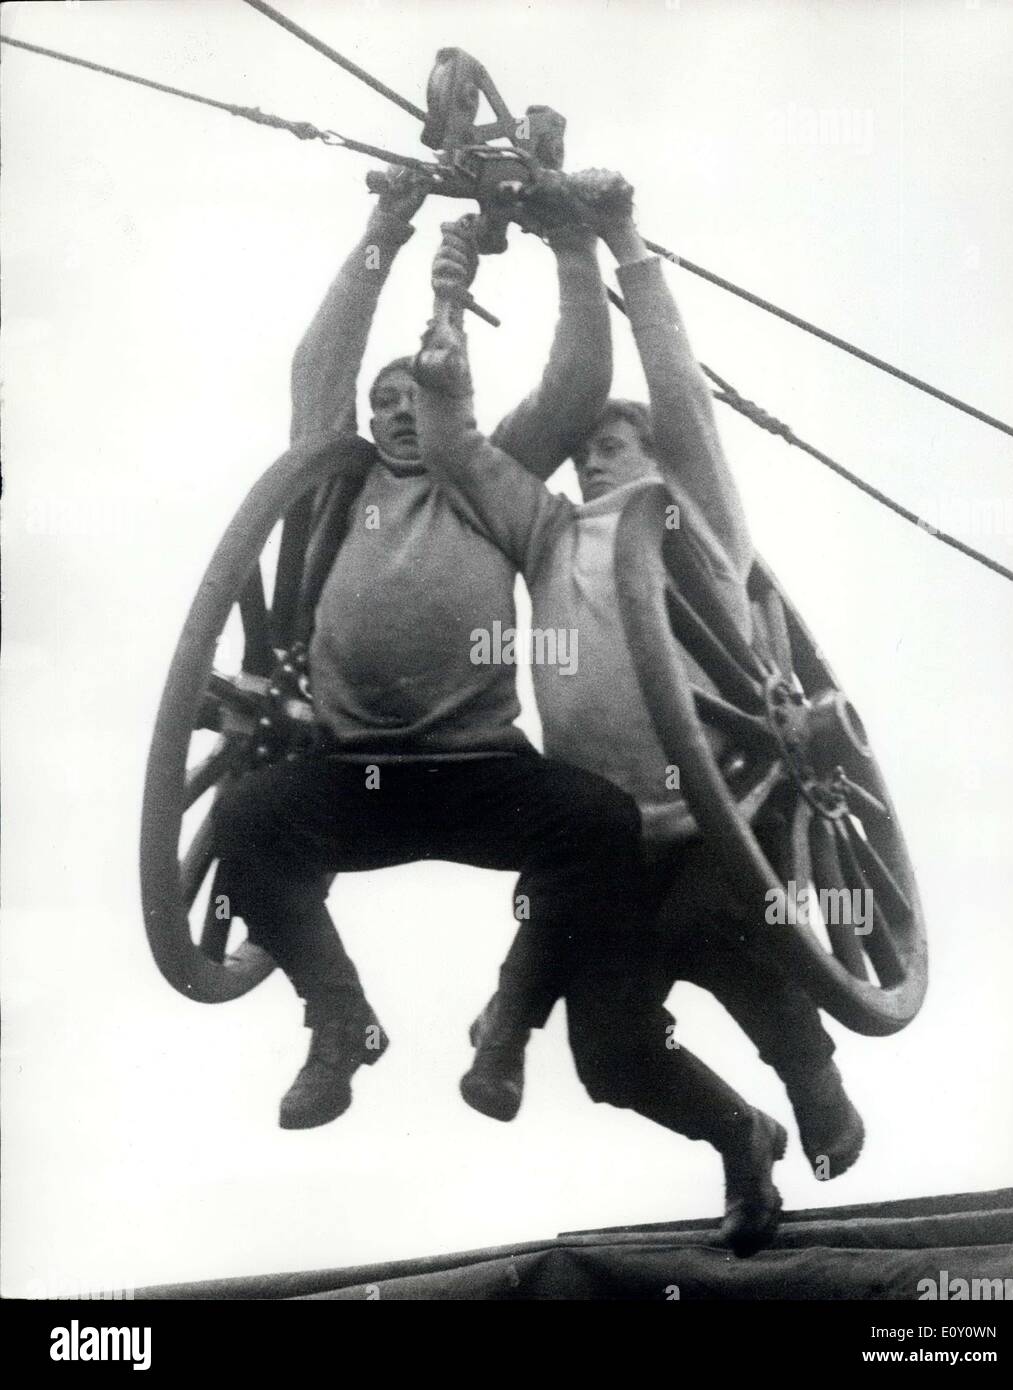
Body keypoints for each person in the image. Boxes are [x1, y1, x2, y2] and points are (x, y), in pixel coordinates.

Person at [414, 182, 864, 1201]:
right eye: (580, 456)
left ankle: (813, 1081)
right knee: (610, 1055)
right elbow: (457, 453)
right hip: (608, 839)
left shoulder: (696, 526)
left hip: (713, 822)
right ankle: (741, 1139)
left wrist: (625, 245)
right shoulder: (549, 537)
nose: (588, 464)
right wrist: (446, 319)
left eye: (610, 449)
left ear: (658, 461)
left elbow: (682, 393)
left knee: (718, 932)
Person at [211, 166, 636, 1134]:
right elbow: (316, 366)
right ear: (366, 418)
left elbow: (579, 383)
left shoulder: (492, 472)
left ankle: (510, 1021)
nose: (403, 408)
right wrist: (384, 228)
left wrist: (572, 241)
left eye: (417, 394)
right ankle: (338, 1019)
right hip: (355, 778)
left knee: (603, 825)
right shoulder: (337, 485)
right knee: (246, 825)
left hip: (479, 769)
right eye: (384, 398)